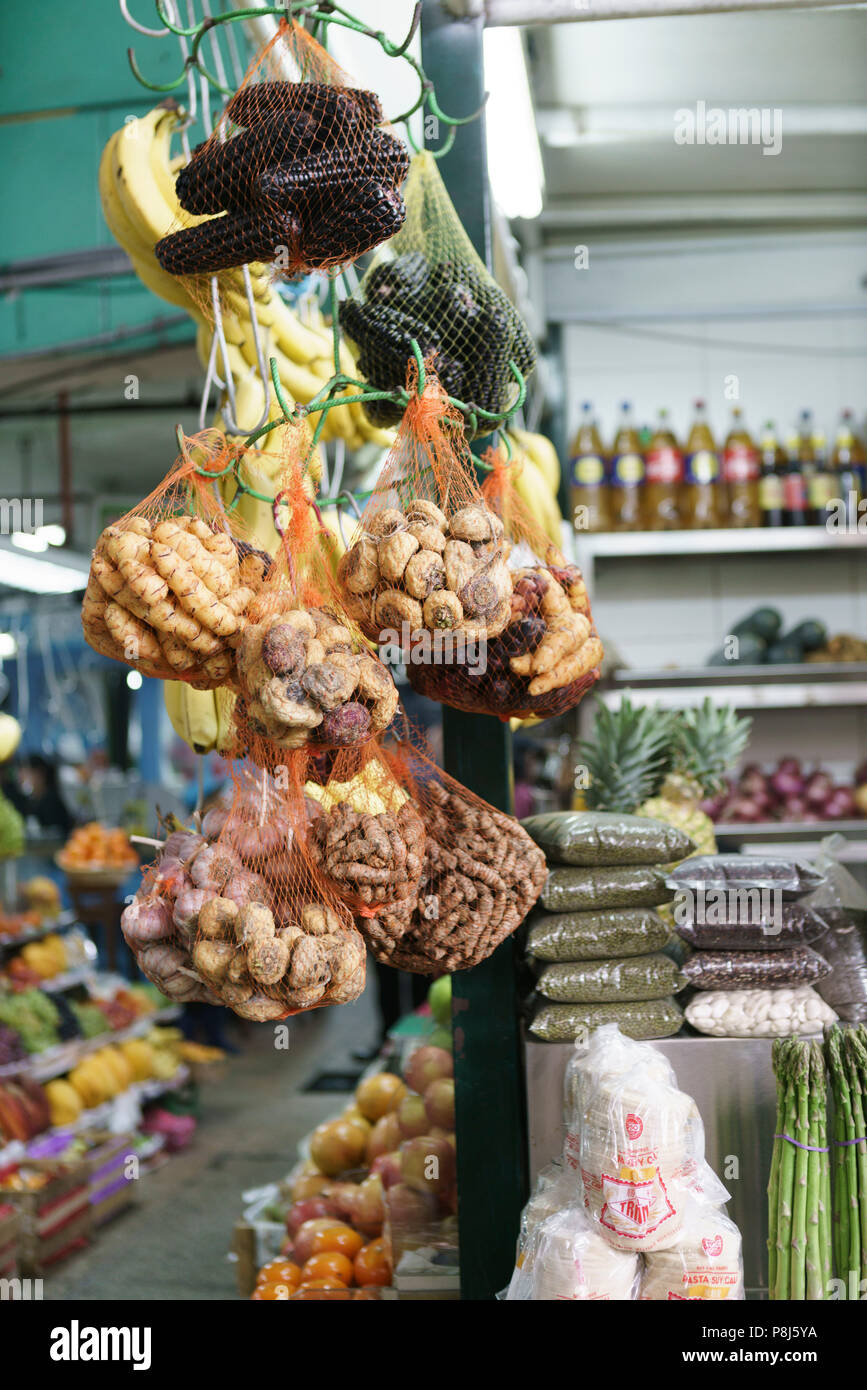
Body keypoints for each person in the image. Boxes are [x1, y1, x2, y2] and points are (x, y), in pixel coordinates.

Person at [5, 754, 73, 836]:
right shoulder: (29, 800)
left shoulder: (51, 800)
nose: (21, 778)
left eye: (26, 773)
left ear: (40, 774)